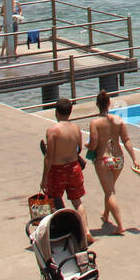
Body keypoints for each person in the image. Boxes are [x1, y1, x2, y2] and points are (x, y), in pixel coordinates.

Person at [41, 97, 93, 246]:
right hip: (74, 167)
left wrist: (44, 178)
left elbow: (48, 157)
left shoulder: (52, 131)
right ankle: (86, 231)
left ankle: (63, 231)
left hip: (58, 170)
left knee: (54, 200)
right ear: (70, 112)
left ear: (56, 113)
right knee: (78, 202)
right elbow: (79, 149)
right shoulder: (76, 129)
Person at [86, 90, 140, 235]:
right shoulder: (118, 120)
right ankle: (105, 214)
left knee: (109, 192)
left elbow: (93, 144)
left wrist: (86, 146)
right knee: (110, 188)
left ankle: (120, 225)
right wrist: (134, 158)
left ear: (97, 104)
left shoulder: (95, 123)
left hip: (104, 160)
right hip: (118, 159)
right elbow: (126, 140)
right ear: (109, 104)